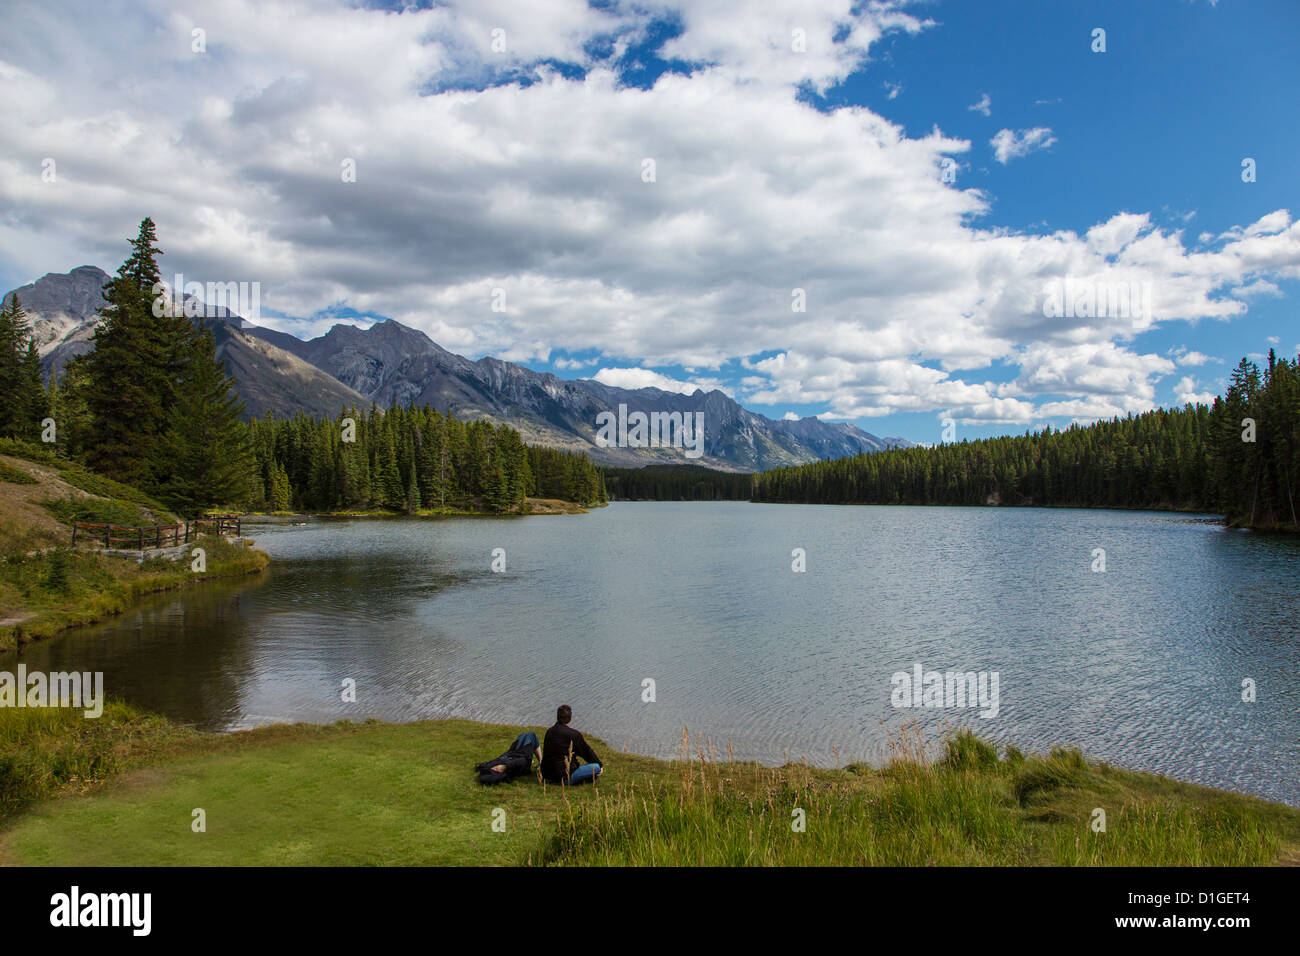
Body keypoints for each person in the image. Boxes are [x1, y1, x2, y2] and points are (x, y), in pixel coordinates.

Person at [541, 705, 602, 785]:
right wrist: (599, 764)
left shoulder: (549, 732)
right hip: (564, 776)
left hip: (547, 775)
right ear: (570, 718)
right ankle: (581, 780)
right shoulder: (574, 734)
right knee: (596, 767)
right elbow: (587, 752)